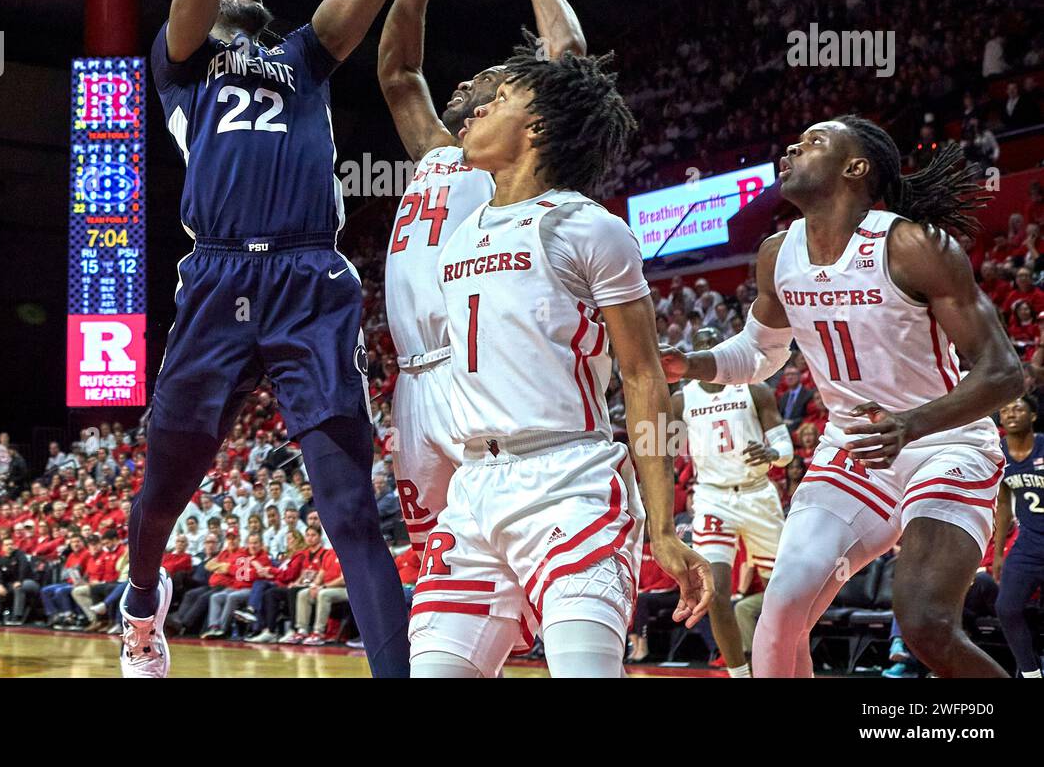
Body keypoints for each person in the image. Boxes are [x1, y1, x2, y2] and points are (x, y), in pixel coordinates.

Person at [120, 0, 407, 679]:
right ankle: (140, 602)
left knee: (349, 506)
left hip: (310, 277)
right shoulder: (179, 63)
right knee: (165, 485)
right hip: (214, 281)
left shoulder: (303, 57)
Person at [662, 117, 1021, 678]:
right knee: (780, 613)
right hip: (853, 450)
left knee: (925, 622)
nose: (793, 148)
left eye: (814, 143)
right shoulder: (778, 254)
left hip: (948, 443)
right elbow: (760, 353)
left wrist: (910, 425)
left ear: (856, 169)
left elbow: (1004, 373)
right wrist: (690, 363)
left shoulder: (912, 246)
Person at [408, 51, 712, 678]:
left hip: (568, 483)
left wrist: (663, 524)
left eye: (500, 99)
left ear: (538, 126)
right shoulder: (460, 231)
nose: (479, 106)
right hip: (473, 490)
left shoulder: (588, 228)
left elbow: (643, 377)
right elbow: (397, 79)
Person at [377, 0, 586, 574]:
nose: (471, 83)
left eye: (492, 85)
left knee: (500, 551)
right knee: (435, 564)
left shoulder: (513, 163)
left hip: (474, 369)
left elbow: (569, 65)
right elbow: (398, 72)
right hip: (413, 380)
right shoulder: (439, 152)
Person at [670, 325, 789, 678]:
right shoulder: (681, 400)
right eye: (701, 346)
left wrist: (771, 453)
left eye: (714, 345)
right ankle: (739, 674)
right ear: (692, 354)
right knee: (716, 589)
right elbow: (662, 451)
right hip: (712, 497)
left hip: (757, 493)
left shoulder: (754, 387)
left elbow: (784, 450)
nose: (708, 351)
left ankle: (781, 661)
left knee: (783, 590)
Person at [993, 398, 1044, 678]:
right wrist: (1000, 553)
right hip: (1028, 544)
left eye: (1018, 408)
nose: (1010, 413)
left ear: (1033, 416)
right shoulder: (999, 453)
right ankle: (1031, 673)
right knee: (1006, 607)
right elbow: (1003, 505)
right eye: (1005, 409)